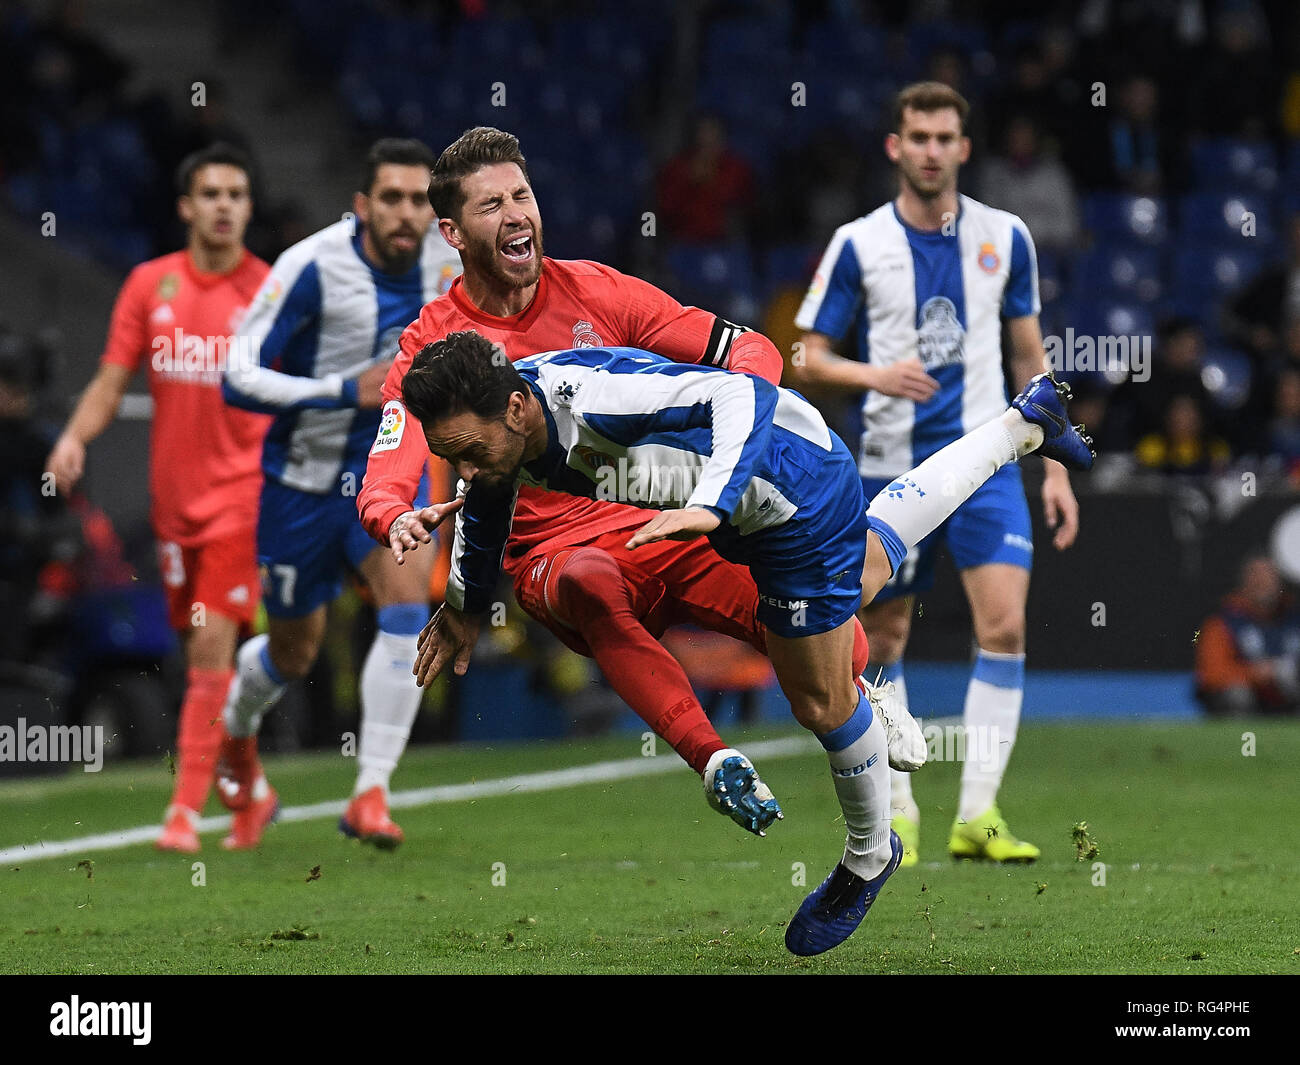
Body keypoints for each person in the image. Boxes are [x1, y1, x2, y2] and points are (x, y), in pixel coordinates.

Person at [399, 331, 1094, 956]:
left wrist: (714, 499)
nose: (462, 470)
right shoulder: (507, 427)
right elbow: (487, 503)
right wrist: (463, 607)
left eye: (469, 451)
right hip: (751, 494)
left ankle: (868, 853)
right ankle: (1022, 425)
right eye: (449, 456)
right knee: (864, 579)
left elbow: (737, 390)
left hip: (785, 497)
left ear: (517, 410)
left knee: (820, 704)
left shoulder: (592, 403)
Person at [356, 127, 922, 841]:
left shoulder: (596, 288)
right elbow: (392, 453)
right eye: (490, 204)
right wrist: (388, 513)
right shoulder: (435, 346)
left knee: (794, 616)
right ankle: (715, 759)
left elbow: (744, 347)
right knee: (593, 582)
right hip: (552, 552)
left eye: (522, 196)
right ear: (452, 232)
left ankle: (862, 703)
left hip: (662, 518)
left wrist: (738, 439)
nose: (515, 215)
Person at [792, 82, 1081, 866]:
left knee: (1007, 626)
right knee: (882, 630)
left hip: (988, 462)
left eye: (944, 136)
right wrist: (874, 376)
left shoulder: (1005, 234)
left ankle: (979, 815)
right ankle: (902, 812)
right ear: (894, 146)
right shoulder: (858, 243)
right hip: (890, 465)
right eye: (916, 135)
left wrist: (1054, 463)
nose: (929, 149)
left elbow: (1028, 353)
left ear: (963, 147)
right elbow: (804, 354)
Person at [217, 138, 461, 849]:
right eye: (392, 198)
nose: (408, 213)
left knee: (409, 602)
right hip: (301, 481)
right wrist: (336, 391)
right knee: (294, 651)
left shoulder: (449, 264)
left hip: (393, 465)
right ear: (362, 205)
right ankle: (237, 735)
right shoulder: (311, 265)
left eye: (421, 199)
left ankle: (371, 791)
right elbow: (237, 371)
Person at [44, 143, 270, 852]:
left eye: (236, 193)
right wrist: (74, 438)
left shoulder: (269, 291)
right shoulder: (149, 285)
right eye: (211, 193)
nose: (225, 205)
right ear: (185, 206)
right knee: (202, 657)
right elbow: (112, 380)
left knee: (209, 651)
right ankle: (252, 790)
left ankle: (181, 812)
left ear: (249, 207)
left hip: (244, 498)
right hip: (174, 509)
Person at [1196, 554, 1300, 717]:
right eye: (1257, 576)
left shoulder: (1293, 618)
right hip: (1247, 701)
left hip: (1286, 697)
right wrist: (1258, 673)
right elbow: (1212, 675)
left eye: (1271, 577)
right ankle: (1240, 742)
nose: (1265, 584)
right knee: (1238, 694)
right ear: (1244, 582)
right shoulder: (1224, 622)